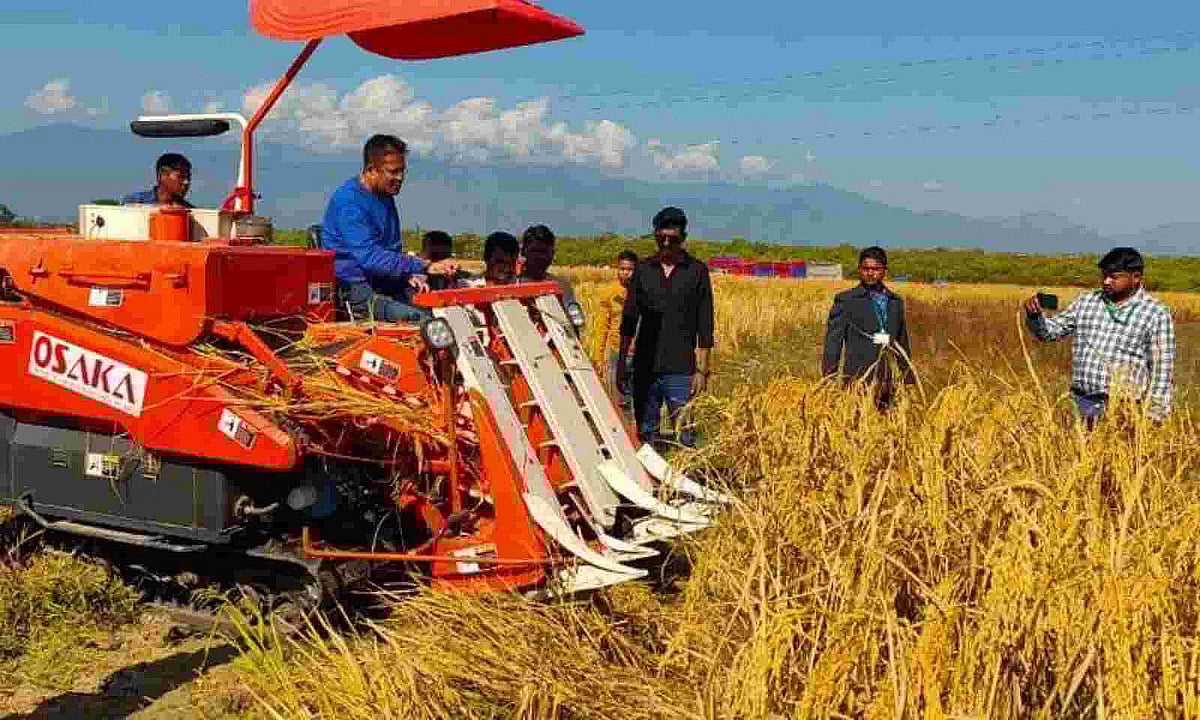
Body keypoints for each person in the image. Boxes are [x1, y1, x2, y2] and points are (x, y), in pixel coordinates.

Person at [1023, 247, 1175, 426]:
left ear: (1135, 278)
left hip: (1126, 408)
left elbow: (1162, 369)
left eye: (1114, 277)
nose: (1106, 281)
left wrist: (1154, 415)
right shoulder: (1086, 302)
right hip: (1081, 401)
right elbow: (1049, 333)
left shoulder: (1155, 313)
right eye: (1104, 275)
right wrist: (1034, 316)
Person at [321, 134, 458, 323]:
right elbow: (370, 258)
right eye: (393, 172)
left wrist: (406, 275)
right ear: (371, 170)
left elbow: (392, 249)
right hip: (354, 288)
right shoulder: (350, 202)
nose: (400, 178)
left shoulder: (384, 196)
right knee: (419, 322)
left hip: (382, 281)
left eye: (402, 171)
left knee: (440, 312)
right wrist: (425, 265)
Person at [617, 208, 714, 448]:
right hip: (645, 367)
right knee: (646, 436)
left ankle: (684, 470)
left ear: (683, 238)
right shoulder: (643, 270)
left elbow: (705, 324)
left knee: (685, 435)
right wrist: (621, 362)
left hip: (682, 369)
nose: (667, 244)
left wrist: (701, 370)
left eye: (673, 239)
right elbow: (629, 320)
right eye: (662, 238)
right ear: (655, 236)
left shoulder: (697, 271)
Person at [820, 246, 914, 410]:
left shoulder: (895, 302)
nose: (870, 273)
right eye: (865, 268)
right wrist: (829, 379)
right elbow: (833, 344)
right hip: (858, 381)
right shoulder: (846, 301)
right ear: (859, 270)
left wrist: (909, 380)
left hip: (887, 382)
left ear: (884, 270)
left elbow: (902, 343)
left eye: (875, 269)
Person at [594, 251, 638, 410]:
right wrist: (598, 357)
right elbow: (602, 327)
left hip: (638, 355)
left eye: (630, 269)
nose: (625, 273)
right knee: (618, 402)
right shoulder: (609, 293)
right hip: (616, 353)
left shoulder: (644, 292)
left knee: (638, 401)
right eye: (622, 269)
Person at [518, 224, 578, 309]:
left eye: (544, 251)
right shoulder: (512, 285)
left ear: (552, 253)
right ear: (523, 252)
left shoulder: (562, 286)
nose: (540, 257)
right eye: (535, 251)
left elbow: (571, 313)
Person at [121, 153, 194, 208]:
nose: (186, 182)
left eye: (188, 177)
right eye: (181, 177)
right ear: (162, 176)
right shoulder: (134, 201)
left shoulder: (191, 212)